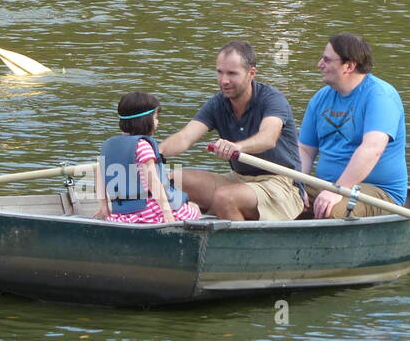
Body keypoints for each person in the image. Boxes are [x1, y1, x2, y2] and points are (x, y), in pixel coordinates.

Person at [158, 41, 306, 222]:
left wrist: (237, 147)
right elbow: (185, 137)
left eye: (232, 74)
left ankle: (236, 248)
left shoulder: (272, 99)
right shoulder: (217, 104)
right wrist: (155, 152)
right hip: (240, 179)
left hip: (282, 183)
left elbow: (268, 138)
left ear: (251, 73)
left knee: (225, 197)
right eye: (220, 72)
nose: (224, 81)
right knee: (172, 181)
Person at [298, 33, 408, 218]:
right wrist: (297, 185)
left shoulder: (380, 96)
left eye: (326, 60)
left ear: (348, 66)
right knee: (277, 198)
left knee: (331, 210)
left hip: (379, 193)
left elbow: (372, 149)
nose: (319, 64)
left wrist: (339, 190)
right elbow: (305, 151)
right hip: (329, 187)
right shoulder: (320, 98)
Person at [95, 93, 202, 224]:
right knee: (195, 209)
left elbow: (100, 178)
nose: (157, 122)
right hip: (149, 213)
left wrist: (104, 207)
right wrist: (167, 212)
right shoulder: (142, 146)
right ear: (145, 120)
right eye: (155, 117)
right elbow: (154, 183)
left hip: (122, 215)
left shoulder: (108, 146)